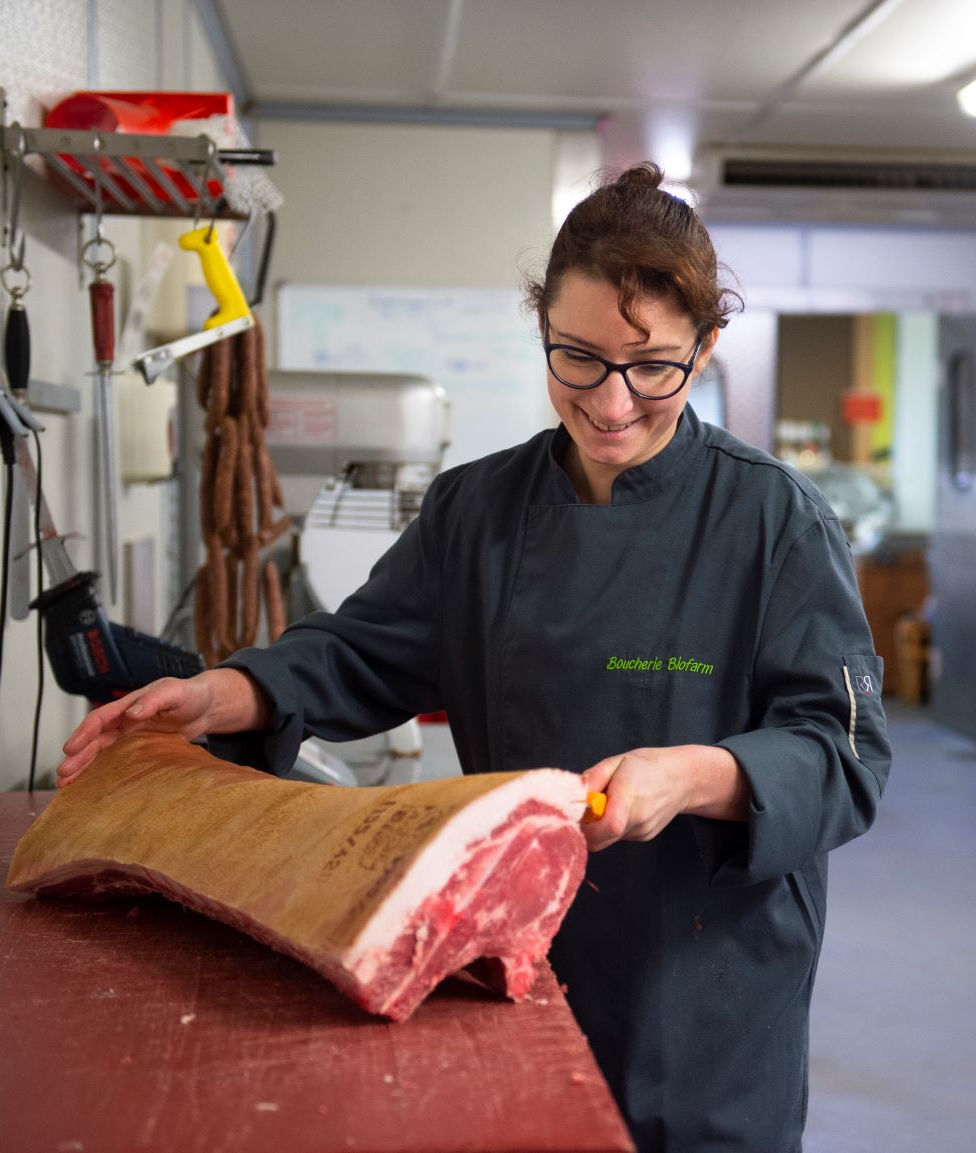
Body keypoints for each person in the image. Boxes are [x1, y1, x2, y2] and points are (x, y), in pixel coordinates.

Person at [58, 163, 892, 1153]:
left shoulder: (770, 518)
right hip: (508, 951)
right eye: (576, 357)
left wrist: (695, 772)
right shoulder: (476, 513)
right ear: (540, 327)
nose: (612, 402)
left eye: (652, 365)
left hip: (704, 988)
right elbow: (357, 653)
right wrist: (218, 692)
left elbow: (842, 753)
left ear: (705, 349)